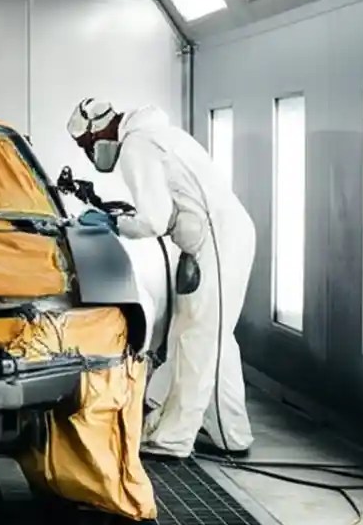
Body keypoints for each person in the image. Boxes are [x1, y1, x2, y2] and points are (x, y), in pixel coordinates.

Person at [66, 98, 256, 459]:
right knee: (214, 337)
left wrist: (114, 224)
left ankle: (174, 439)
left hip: (216, 241)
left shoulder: (136, 146)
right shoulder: (158, 134)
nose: (90, 154)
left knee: (198, 340)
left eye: (86, 145)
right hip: (220, 236)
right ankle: (232, 434)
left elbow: (154, 220)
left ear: (98, 131)